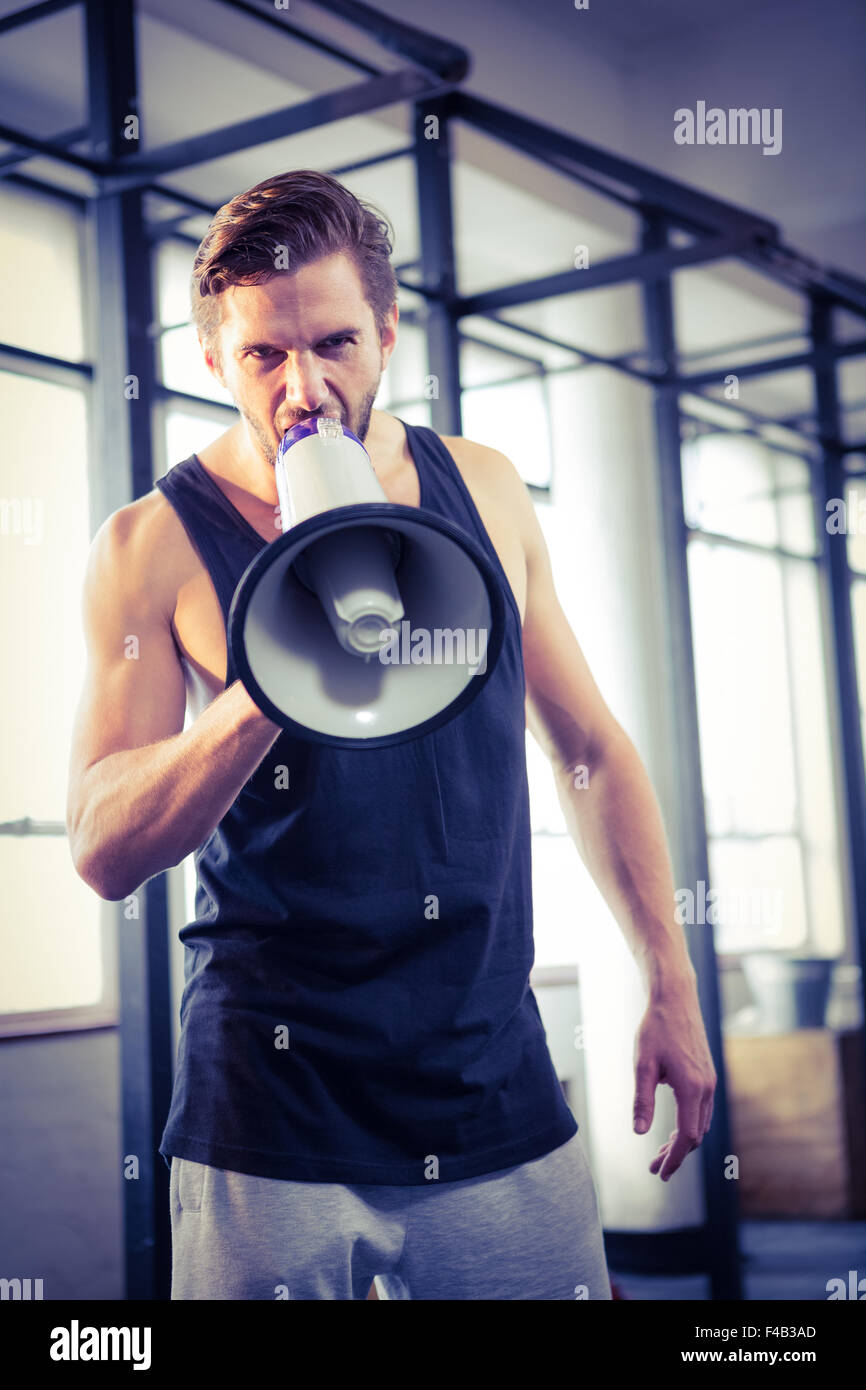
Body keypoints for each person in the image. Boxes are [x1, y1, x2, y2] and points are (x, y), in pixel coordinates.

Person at [66, 168, 717, 1301]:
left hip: (489, 1074)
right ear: (213, 357)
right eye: (264, 355)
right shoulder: (150, 546)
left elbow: (588, 751)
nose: (303, 388)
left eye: (334, 344)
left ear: (388, 333)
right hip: (268, 1099)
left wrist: (669, 979)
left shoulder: (487, 492)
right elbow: (102, 845)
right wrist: (270, 676)